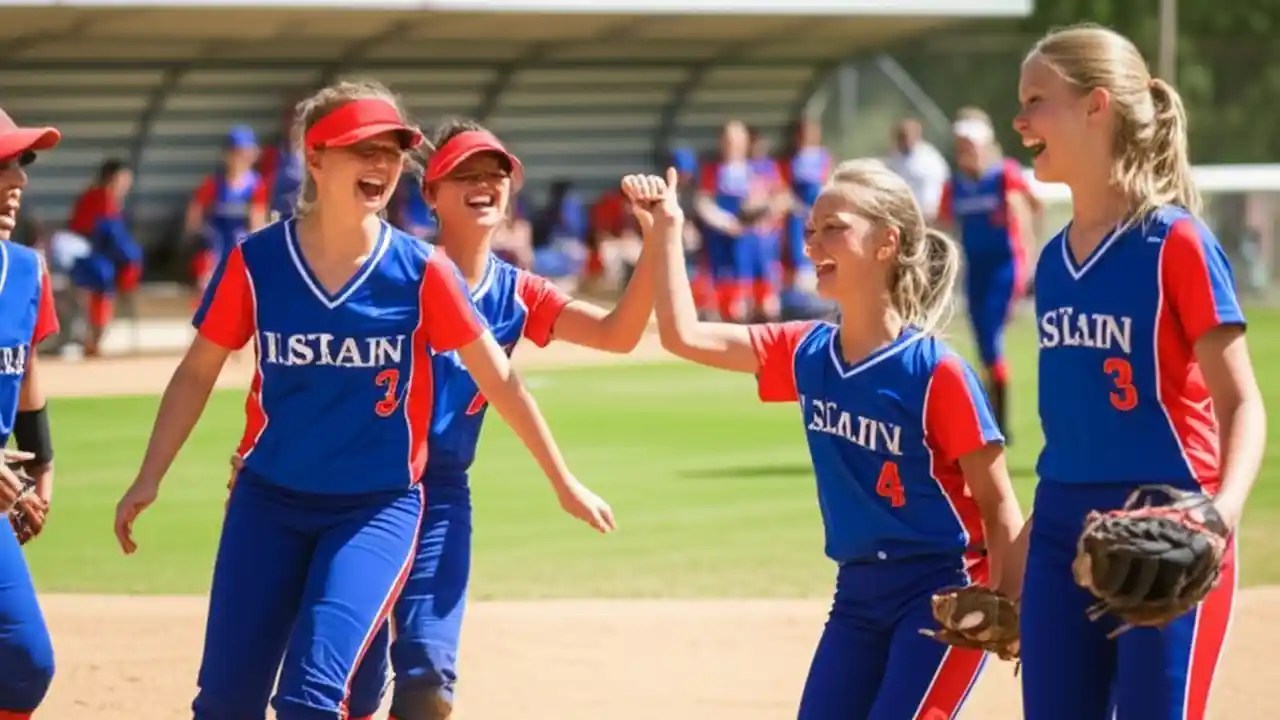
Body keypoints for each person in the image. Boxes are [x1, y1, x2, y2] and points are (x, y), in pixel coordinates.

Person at [111, 81, 615, 720]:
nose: (382, 164)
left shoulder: (420, 270)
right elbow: (196, 373)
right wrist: (148, 476)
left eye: (392, 151)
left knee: (311, 700)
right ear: (315, 159)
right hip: (268, 502)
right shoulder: (257, 262)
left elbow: (499, 379)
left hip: (373, 510)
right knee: (224, 704)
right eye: (362, 149)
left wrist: (563, 481)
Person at [638, 159, 1026, 718]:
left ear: (886, 243)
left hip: (941, 587)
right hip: (858, 592)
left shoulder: (935, 372)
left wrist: (1007, 607)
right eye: (811, 229)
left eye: (833, 227)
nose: (813, 241)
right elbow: (684, 335)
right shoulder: (808, 352)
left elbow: (999, 507)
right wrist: (668, 229)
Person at [335, 118, 656, 720]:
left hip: (444, 497)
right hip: (365, 492)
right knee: (350, 683)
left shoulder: (519, 292)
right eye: (465, 174)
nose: (485, 184)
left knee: (428, 679)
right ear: (430, 194)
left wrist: (658, 236)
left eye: (495, 175)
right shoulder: (395, 272)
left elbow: (619, 335)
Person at [1012, 24, 1266, 720]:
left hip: (1167, 525)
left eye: (1037, 100)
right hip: (1062, 530)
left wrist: (1217, 519)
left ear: (1097, 106)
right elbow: (1072, 435)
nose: (1020, 119)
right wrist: (1019, 557)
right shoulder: (1053, 262)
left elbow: (1241, 403)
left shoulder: (1174, 242)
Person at [0, 106, 63, 718]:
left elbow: (24, 367)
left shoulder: (23, 270)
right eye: (1, 166)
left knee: (24, 664)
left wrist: (41, 461)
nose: (17, 181)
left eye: (20, 165)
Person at [937, 108, 1042, 438]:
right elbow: (942, 225)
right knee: (983, 341)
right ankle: (993, 418)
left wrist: (1029, 257)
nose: (965, 150)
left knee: (990, 339)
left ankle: (998, 421)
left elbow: (1030, 207)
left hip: (1004, 267)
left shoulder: (1003, 175)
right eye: (960, 143)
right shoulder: (954, 185)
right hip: (975, 269)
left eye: (970, 143)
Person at [66, 158, 142, 356]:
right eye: (122, 179)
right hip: (84, 257)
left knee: (115, 275)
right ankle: (91, 340)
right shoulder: (99, 198)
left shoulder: (112, 202)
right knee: (103, 277)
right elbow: (100, 233)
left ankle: (95, 340)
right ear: (111, 178)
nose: (126, 185)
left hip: (100, 258)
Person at [183, 124, 268, 300]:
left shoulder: (255, 185)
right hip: (215, 243)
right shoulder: (214, 184)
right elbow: (195, 212)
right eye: (235, 152)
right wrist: (197, 236)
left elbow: (257, 221)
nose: (240, 157)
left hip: (239, 243)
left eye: (244, 152)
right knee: (205, 283)